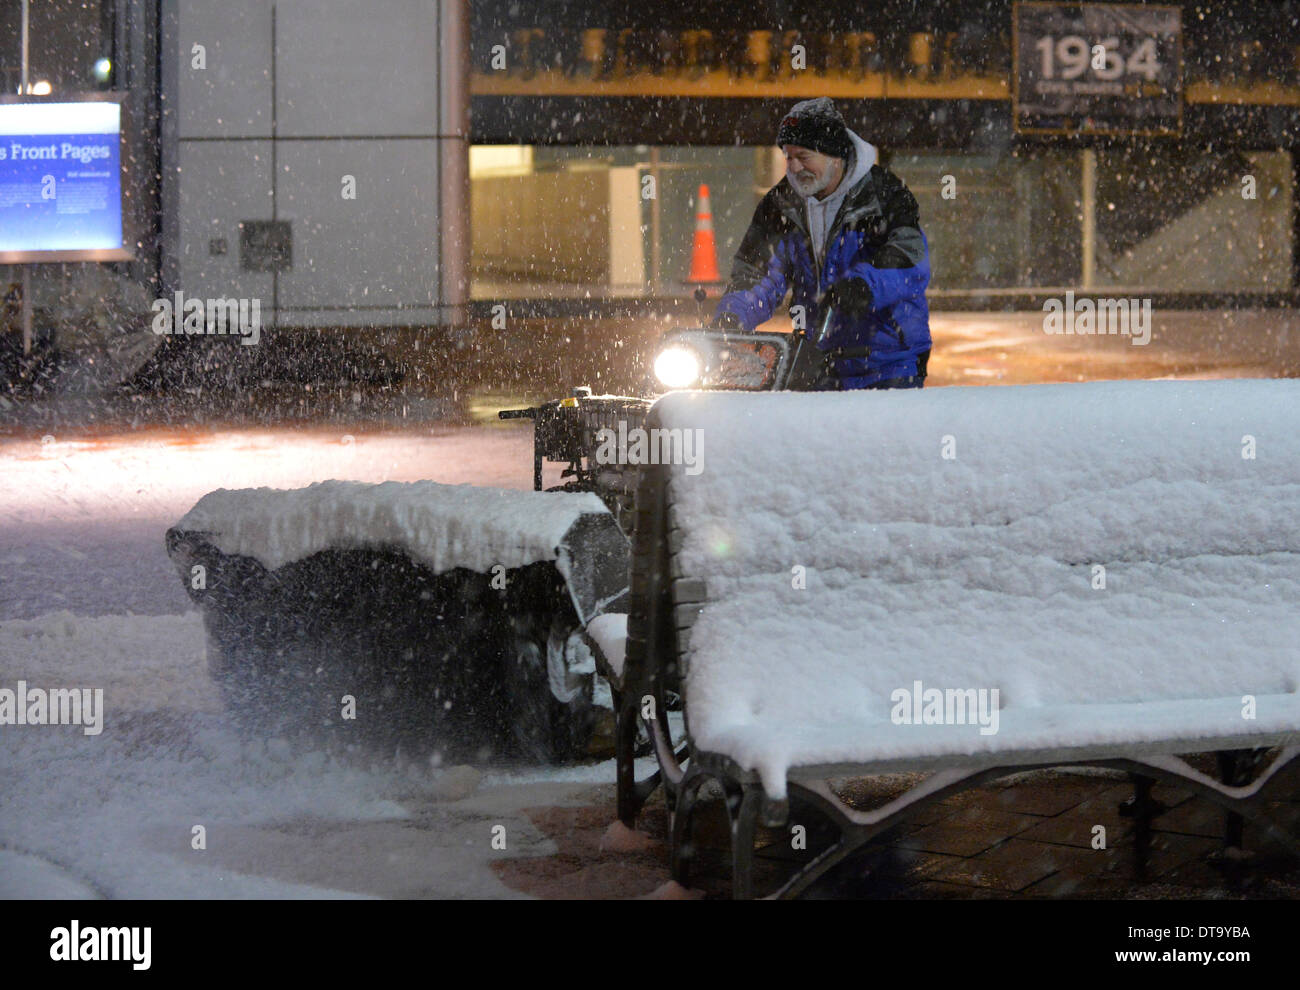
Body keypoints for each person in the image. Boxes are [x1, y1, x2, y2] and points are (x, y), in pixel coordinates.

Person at [713, 97, 931, 389]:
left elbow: (910, 263)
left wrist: (862, 288)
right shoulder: (780, 205)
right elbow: (759, 274)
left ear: (835, 156)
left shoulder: (884, 196)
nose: (794, 166)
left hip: (888, 362)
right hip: (816, 359)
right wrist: (733, 316)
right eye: (788, 157)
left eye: (803, 156)